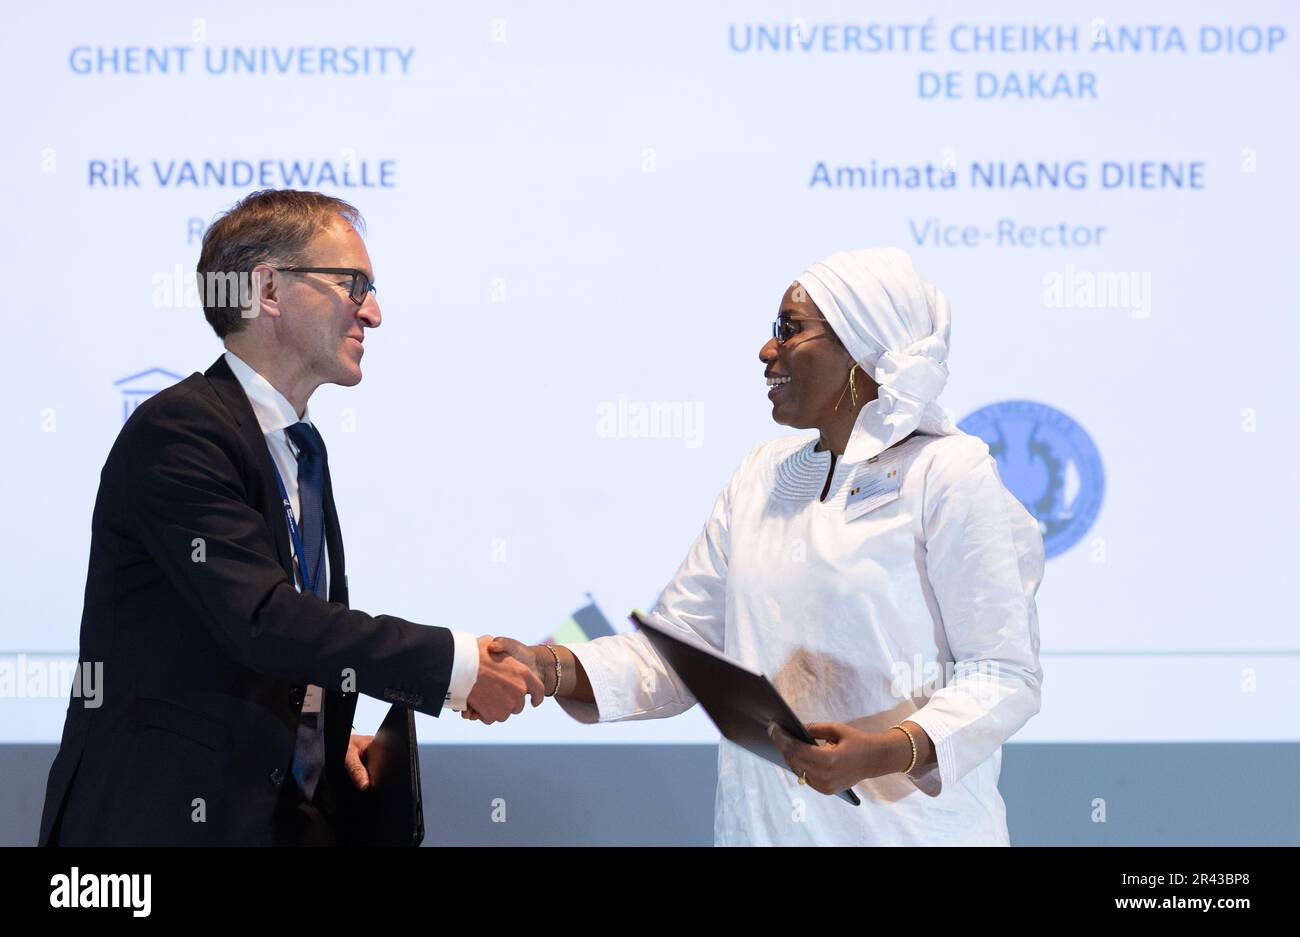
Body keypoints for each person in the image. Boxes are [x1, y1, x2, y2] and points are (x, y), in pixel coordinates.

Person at [487, 248, 1045, 845]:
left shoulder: (948, 473)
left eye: (790, 328)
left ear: (861, 346)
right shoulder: (763, 474)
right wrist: (549, 667)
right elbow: (682, 652)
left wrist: (885, 751)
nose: (765, 350)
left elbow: (1004, 674)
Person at [39, 189, 543, 846]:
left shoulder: (300, 446)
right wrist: (457, 665)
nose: (374, 312)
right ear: (268, 289)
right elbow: (264, 619)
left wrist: (319, 737)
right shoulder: (181, 431)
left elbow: (274, 651)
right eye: (353, 284)